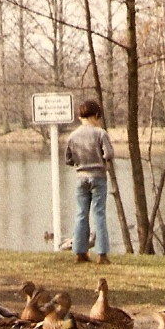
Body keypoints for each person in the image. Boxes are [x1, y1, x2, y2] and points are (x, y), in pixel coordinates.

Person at [65, 98, 115, 264]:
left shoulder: (72, 136)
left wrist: (80, 162)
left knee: (81, 214)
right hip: (98, 177)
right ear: (96, 115)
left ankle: (80, 252)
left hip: (81, 177)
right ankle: (102, 254)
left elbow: (68, 159)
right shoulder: (100, 133)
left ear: (80, 117)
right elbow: (108, 154)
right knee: (98, 214)